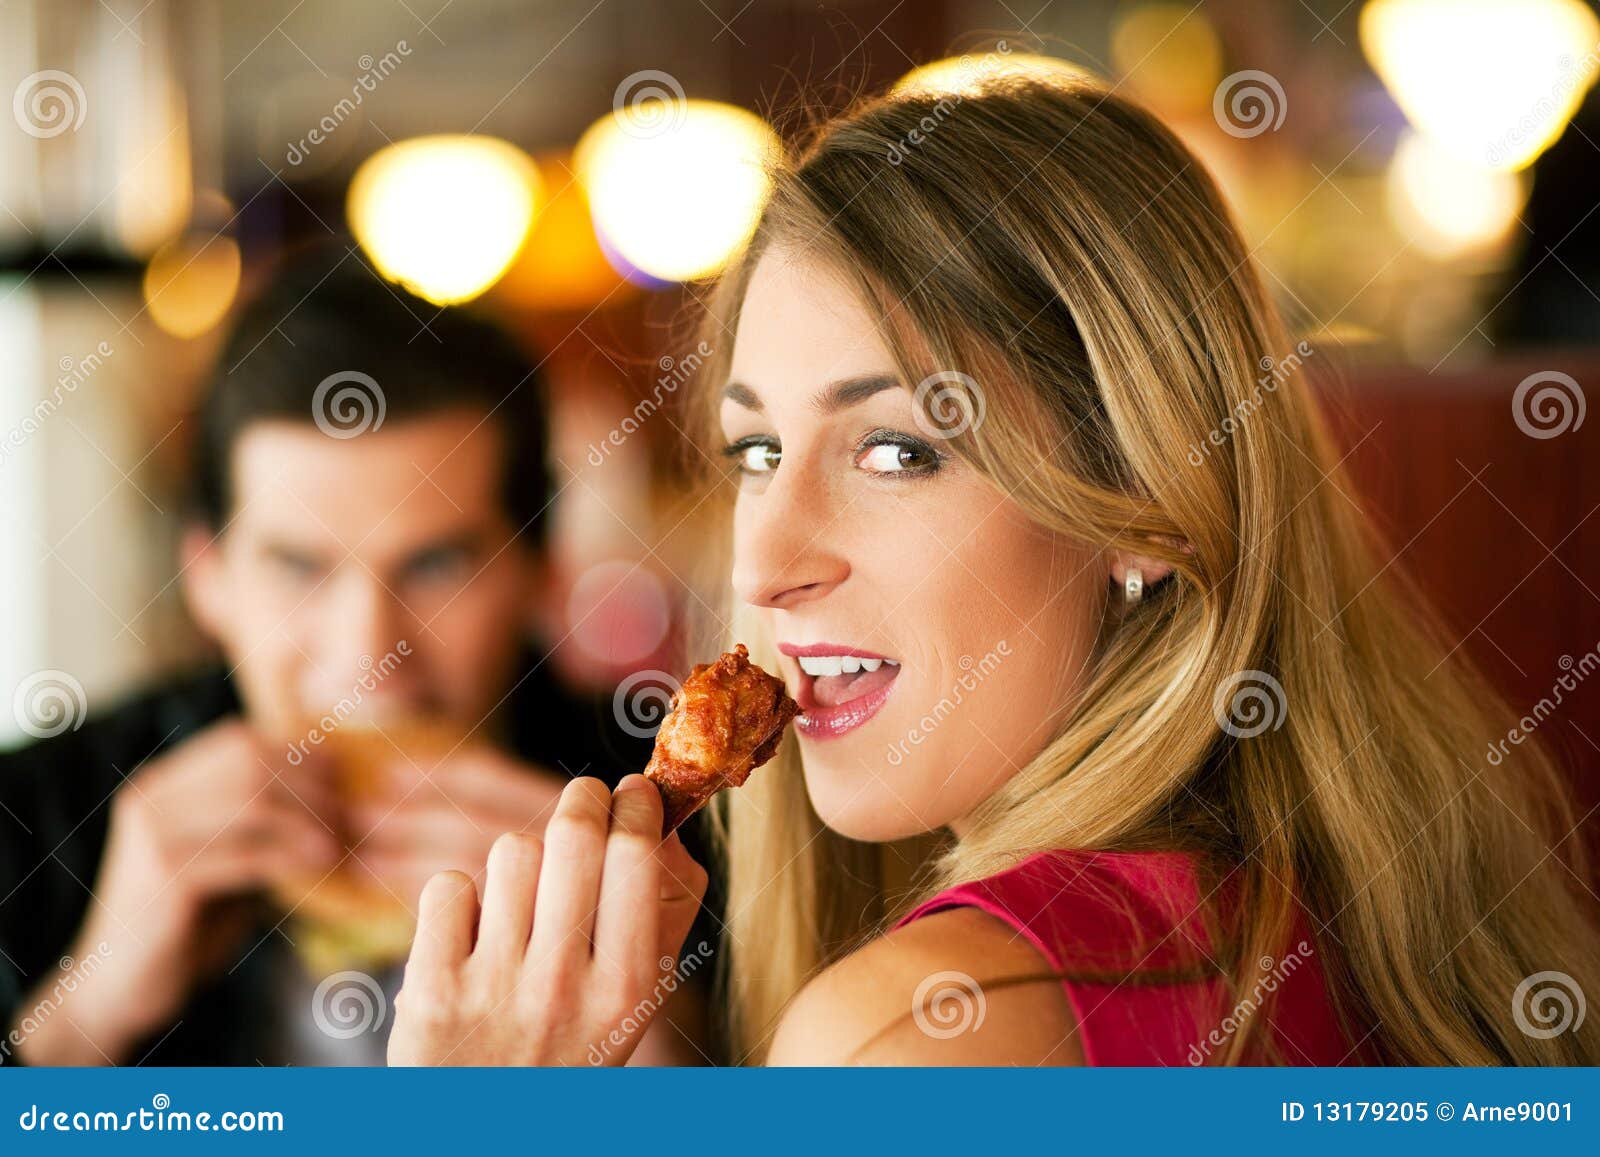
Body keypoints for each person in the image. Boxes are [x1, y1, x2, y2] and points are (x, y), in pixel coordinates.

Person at [385, 74, 1600, 1067]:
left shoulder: (912, 1032)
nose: (763, 560)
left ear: (1148, 501)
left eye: (897, 450)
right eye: (756, 451)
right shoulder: (1358, 911)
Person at [0, 249, 707, 1066]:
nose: (368, 649)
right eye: (299, 567)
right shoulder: (38, 816)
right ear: (206, 574)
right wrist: (82, 1013)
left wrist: (649, 1017)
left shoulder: (689, 829)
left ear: (539, 568)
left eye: (435, 564)